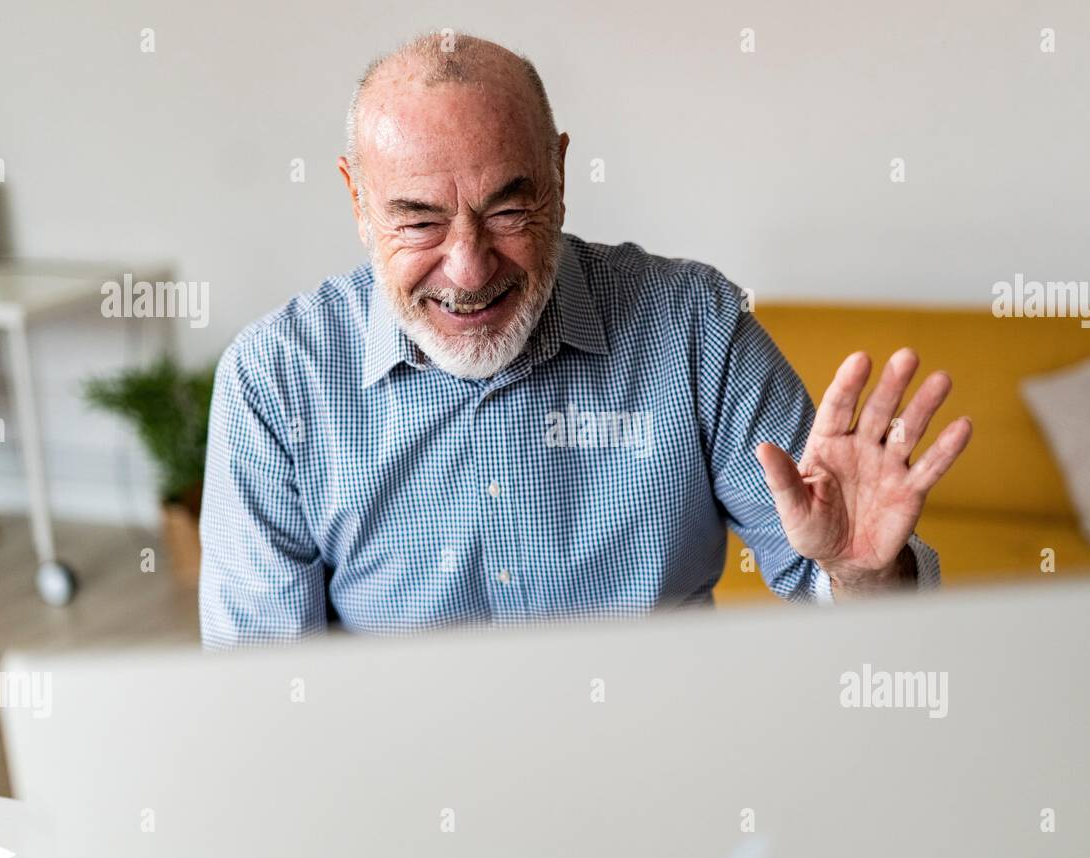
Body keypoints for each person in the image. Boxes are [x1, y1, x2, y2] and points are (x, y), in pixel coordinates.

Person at [198, 33, 972, 648]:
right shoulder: (274, 381)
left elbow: (847, 598)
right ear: (357, 201)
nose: (468, 268)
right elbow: (268, 694)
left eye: (508, 210)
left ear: (559, 176)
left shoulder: (695, 325)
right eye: (420, 219)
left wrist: (862, 574)